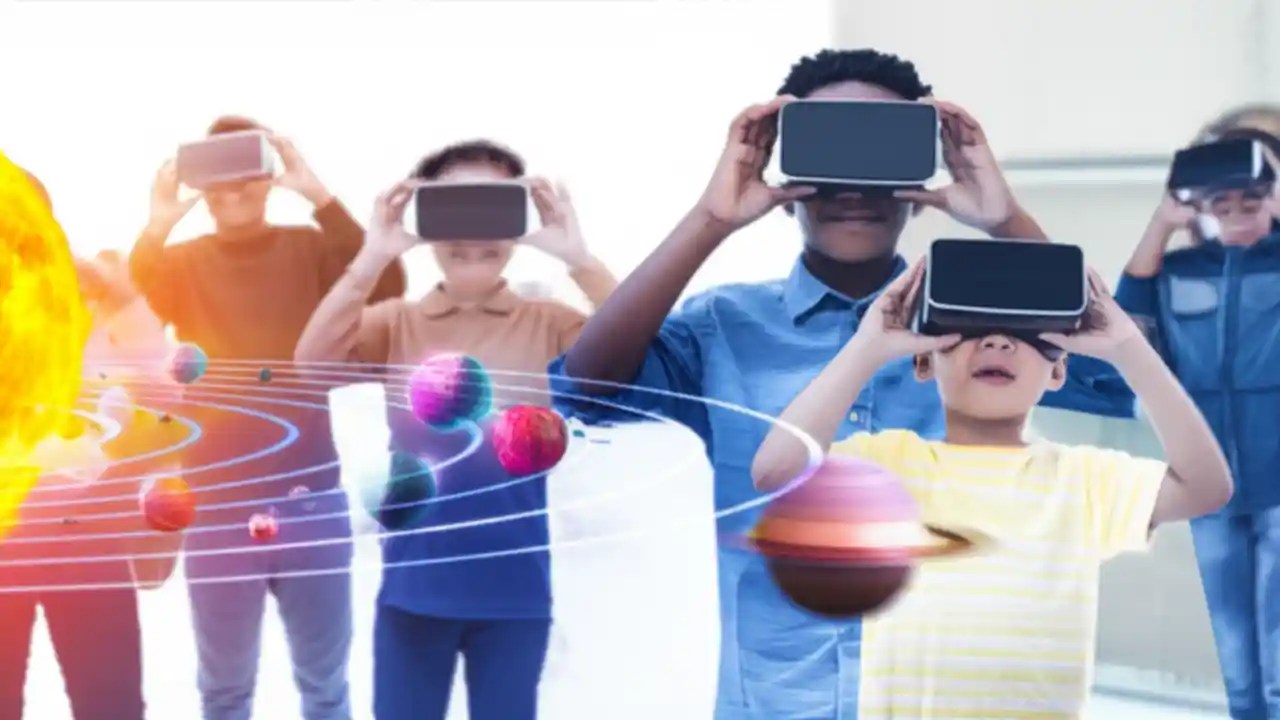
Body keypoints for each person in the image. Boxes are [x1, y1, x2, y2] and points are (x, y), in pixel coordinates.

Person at [550, 48, 1139, 718]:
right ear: (784, 179)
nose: (852, 187)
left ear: (919, 185)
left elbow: (1117, 383)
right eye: (828, 150)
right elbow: (581, 395)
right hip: (773, 699)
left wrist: (1005, 221)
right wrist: (710, 219)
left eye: (879, 153)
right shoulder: (721, 325)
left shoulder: (987, 330)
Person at [749, 263, 1232, 718]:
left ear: (1059, 372)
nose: (998, 342)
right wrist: (867, 347)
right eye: (970, 329)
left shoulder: (1082, 480)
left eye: (1026, 335)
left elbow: (1206, 487)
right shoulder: (889, 466)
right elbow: (776, 472)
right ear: (923, 360)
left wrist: (1128, 346)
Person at [294, 140, 617, 720]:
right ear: (426, 220)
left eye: (492, 206)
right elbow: (312, 366)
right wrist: (372, 257)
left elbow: (643, 359)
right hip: (412, 595)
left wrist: (580, 260)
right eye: (455, 207)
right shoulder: (396, 323)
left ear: (519, 219)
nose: (474, 231)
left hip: (516, 596)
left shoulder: (552, 324)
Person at [128, 115, 406, 720]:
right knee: (224, 691)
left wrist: (318, 195)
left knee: (325, 687)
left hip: (311, 500)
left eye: (247, 173)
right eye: (216, 177)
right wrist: (157, 224)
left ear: (269, 173)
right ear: (199, 186)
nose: (232, 191)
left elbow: (386, 284)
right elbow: (134, 303)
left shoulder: (308, 249)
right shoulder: (183, 263)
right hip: (218, 504)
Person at [1115, 118, 1280, 719]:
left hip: (1279, 475)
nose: (1240, 215)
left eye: (1253, 201)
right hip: (1208, 480)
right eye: (1223, 203)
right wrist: (1162, 222)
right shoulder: (1179, 273)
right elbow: (1126, 316)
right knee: (1235, 646)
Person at [0, 172, 150, 720]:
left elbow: (159, 383)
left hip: (87, 541)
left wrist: (126, 301)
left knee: (110, 704)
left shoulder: (91, 305)